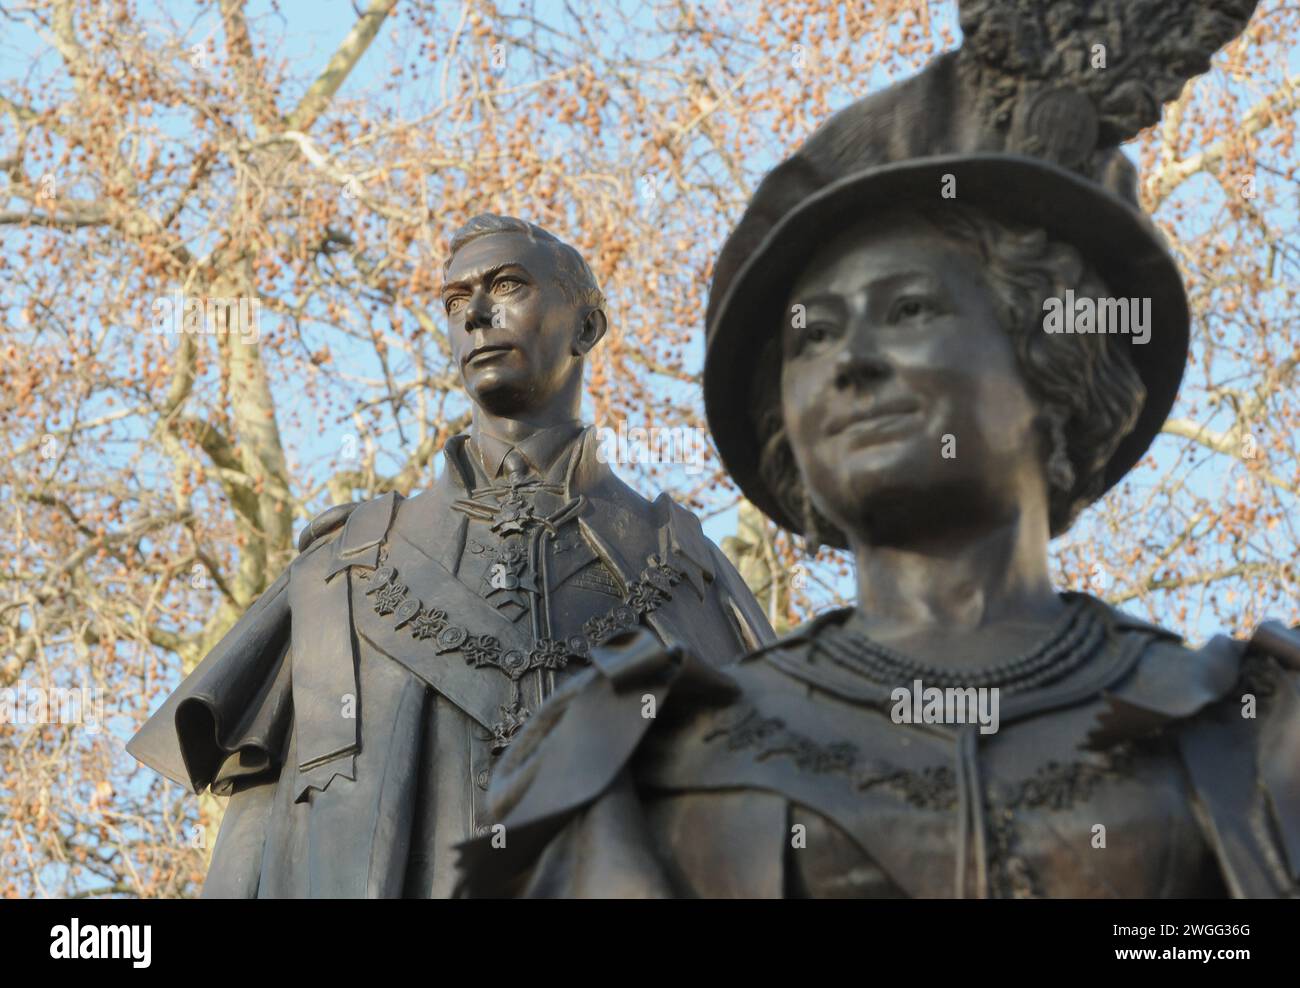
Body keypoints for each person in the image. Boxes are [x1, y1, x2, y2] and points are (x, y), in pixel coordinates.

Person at [456, 34, 1299, 899]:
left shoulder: (1255, 730)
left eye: (907, 309)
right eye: (811, 336)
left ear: (1052, 364)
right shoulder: (640, 762)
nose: (848, 363)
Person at [127, 214, 773, 897]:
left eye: (506, 286)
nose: (476, 316)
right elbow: (256, 845)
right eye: (455, 301)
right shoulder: (339, 577)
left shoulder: (688, 572)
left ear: (586, 327)